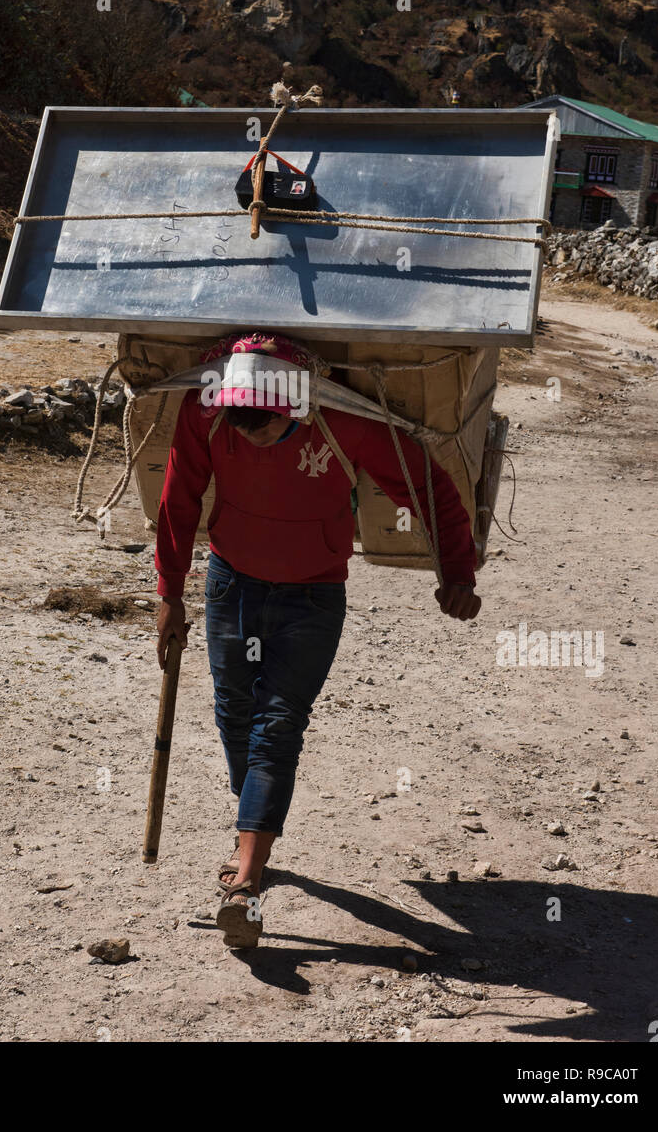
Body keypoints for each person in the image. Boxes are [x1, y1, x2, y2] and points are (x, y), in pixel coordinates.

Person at [154, 334, 480, 948]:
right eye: (239, 422)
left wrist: (458, 573)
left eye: (264, 425)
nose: (249, 434)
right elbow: (179, 495)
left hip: (312, 599)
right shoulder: (207, 410)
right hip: (231, 587)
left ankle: (245, 880)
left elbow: (428, 489)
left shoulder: (347, 424)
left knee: (277, 726)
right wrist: (170, 594)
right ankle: (256, 830)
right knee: (234, 718)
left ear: (298, 406)